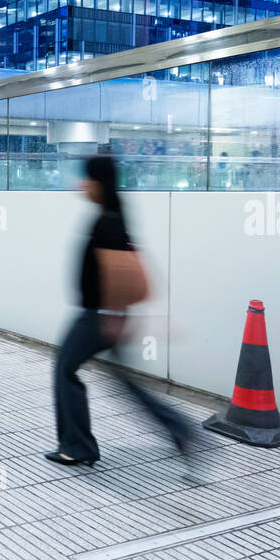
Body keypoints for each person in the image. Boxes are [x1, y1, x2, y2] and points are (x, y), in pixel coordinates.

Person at [46, 153, 189, 467]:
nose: (81, 184)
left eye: (86, 177)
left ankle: (78, 446)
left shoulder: (107, 220)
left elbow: (117, 270)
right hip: (108, 316)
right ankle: (179, 428)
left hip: (99, 317)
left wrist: (112, 316)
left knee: (65, 369)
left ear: (97, 182)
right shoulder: (114, 213)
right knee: (126, 382)